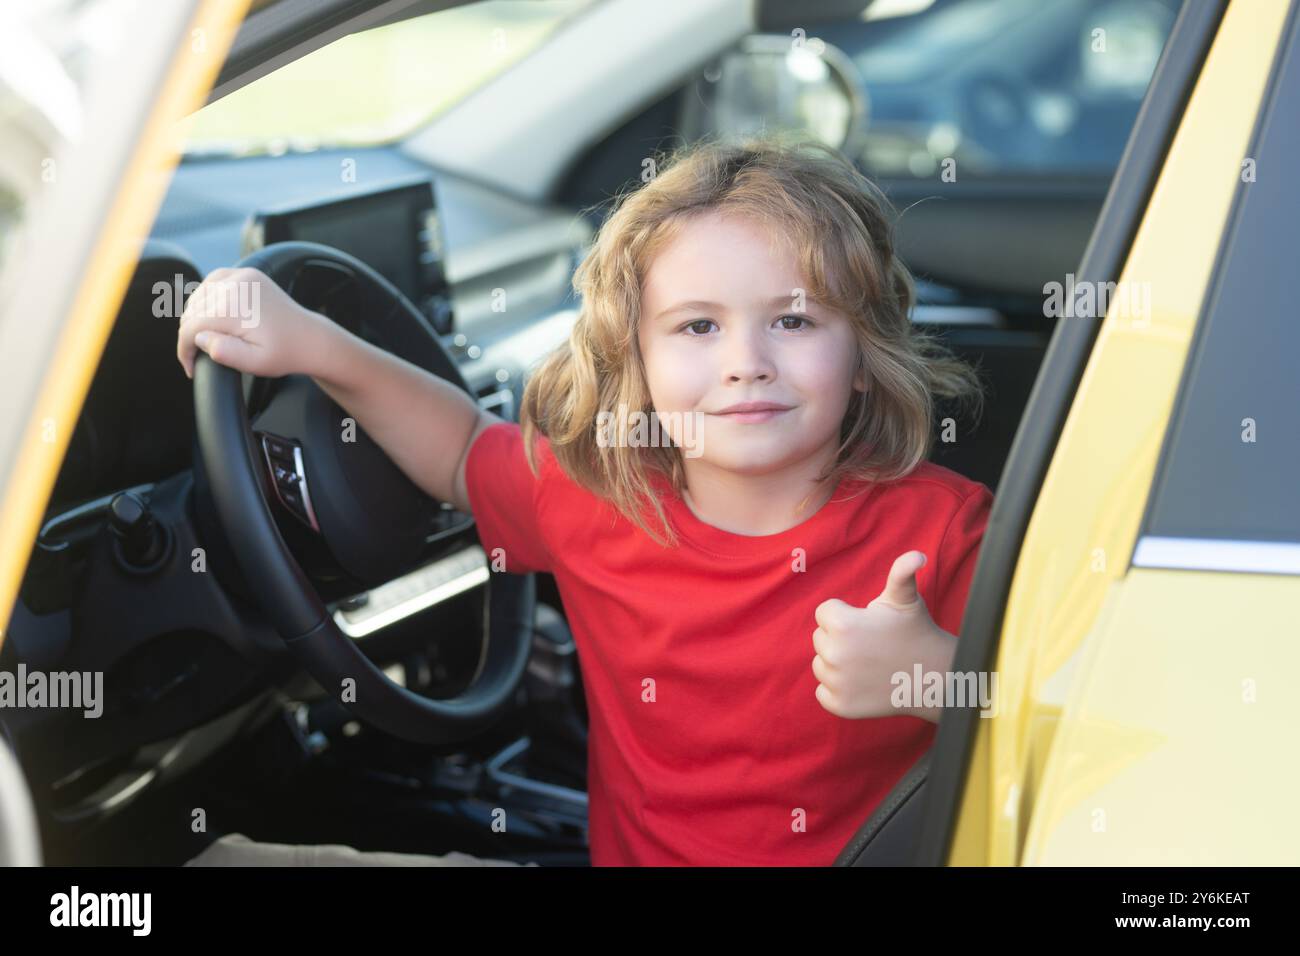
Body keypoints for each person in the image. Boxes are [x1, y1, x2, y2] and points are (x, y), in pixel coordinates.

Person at [176, 133, 992, 867]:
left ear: (863, 355)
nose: (747, 363)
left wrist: (943, 678)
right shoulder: (603, 494)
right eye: (698, 328)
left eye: (795, 322)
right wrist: (314, 344)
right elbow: (462, 450)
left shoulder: (944, 536)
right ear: (635, 362)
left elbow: (1085, 726)